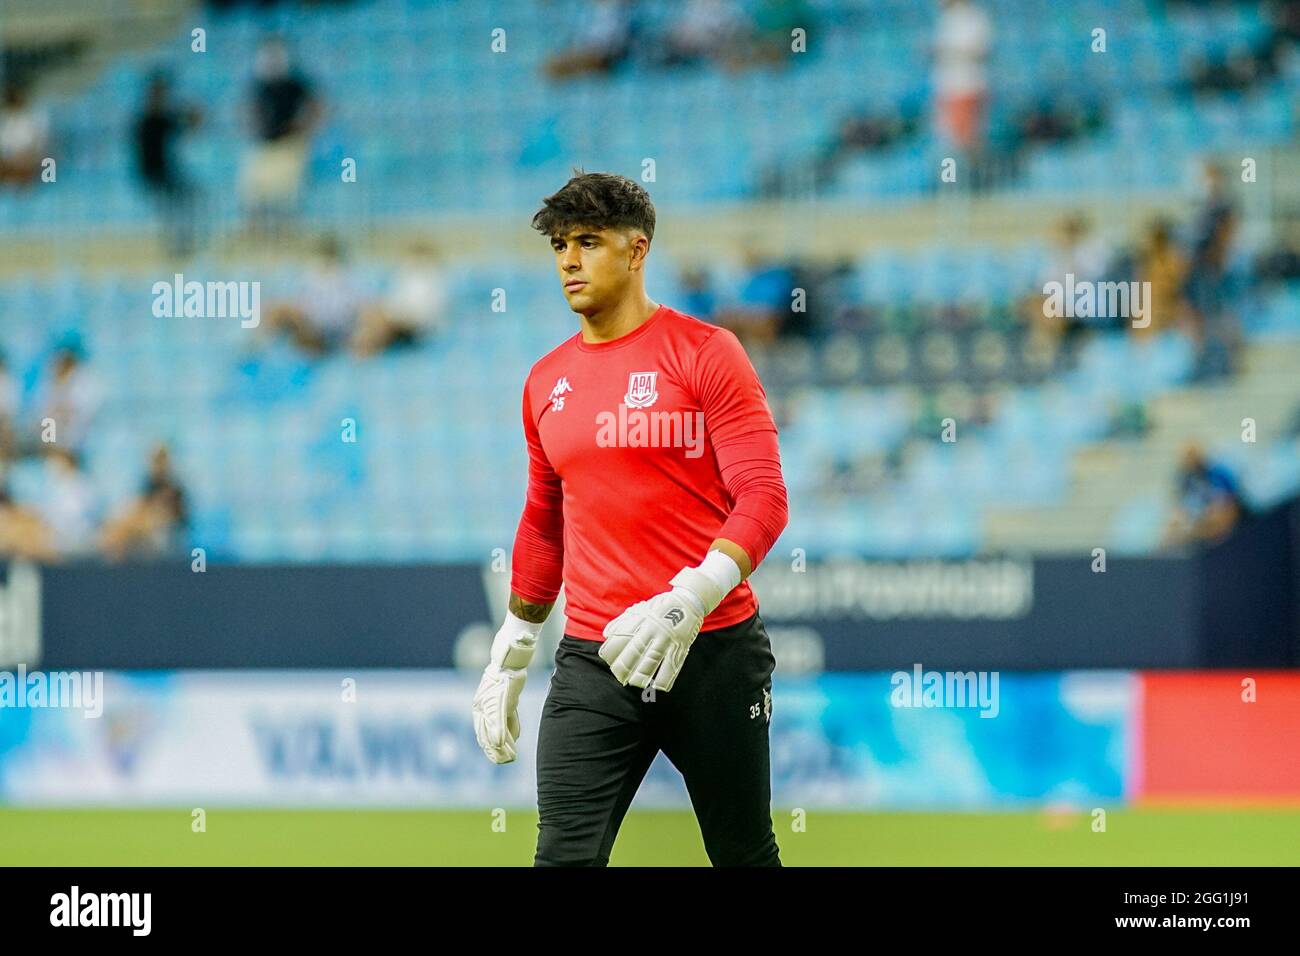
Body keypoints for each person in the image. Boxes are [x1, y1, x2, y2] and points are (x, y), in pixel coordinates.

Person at [471, 172, 789, 866]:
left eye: (588, 241)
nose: (569, 260)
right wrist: (513, 650)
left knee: (743, 854)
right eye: (559, 245)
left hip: (712, 648)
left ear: (637, 250)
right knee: (563, 858)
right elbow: (542, 522)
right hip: (595, 660)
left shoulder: (706, 353)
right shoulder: (544, 381)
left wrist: (689, 597)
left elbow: (763, 496)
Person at [240, 36, 320, 238]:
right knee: (251, 186)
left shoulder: (295, 83)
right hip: (266, 144)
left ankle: (286, 232)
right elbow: (250, 111)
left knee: (286, 191)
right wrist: (254, 126)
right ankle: (256, 233)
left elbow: (317, 105)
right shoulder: (260, 85)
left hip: (289, 143)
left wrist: (304, 128)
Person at [134, 71, 202, 257]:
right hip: (156, 175)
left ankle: (180, 244)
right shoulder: (148, 120)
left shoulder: (156, 117)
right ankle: (178, 245)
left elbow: (188, 124)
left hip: (164, 174)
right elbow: (186, 123)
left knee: (181, 206)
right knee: (175, 208)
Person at [262, 234, 364, 355]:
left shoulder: (341, 276)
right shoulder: (311, 274)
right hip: (320, 325)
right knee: (277, 310)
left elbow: (350, 308)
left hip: (334, 327)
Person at [351, 238, 449, 356]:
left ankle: (364, 352)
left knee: (378, 319)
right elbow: (395, 301)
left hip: (418, 326)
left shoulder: (431, 279)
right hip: (401, 319)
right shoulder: (405, 276)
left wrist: (395, 313)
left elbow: (428, 313)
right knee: (370, 313)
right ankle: (363, 351)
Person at [100, 443, 190, 560]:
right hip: (143, 531)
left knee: (128, 529)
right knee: (119, 525)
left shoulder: (174, 487)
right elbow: (139, 507)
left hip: (166, 535)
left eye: (160, 459)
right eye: (154, 460)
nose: (157, 464)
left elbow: (179, 520)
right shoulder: (148, 484)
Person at [931, 0, 992, 153]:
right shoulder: (945, 20)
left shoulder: (974, 18)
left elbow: (982, 52)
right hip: (947, 88)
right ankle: (952, 176)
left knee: (968, 140)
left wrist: (949, 53)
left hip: (967, 86)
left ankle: (971, 173)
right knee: (949, 142)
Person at [1163, 443, 1245, 547]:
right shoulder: (1185, 478)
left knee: (1216, 516)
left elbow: (1230, 500)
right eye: (1187, 459)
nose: (1190, 462)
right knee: (1174, 523)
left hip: (1220, 511)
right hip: (1197, 514)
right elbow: (1181, 503)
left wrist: (1211, 511)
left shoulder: (1218, 473)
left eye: (1192, 457)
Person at [0, 81, 49, 187]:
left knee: (27, 162)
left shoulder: (33, 119)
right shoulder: (4, 117)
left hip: (27, 160)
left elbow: (40, 149)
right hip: (8, 162)